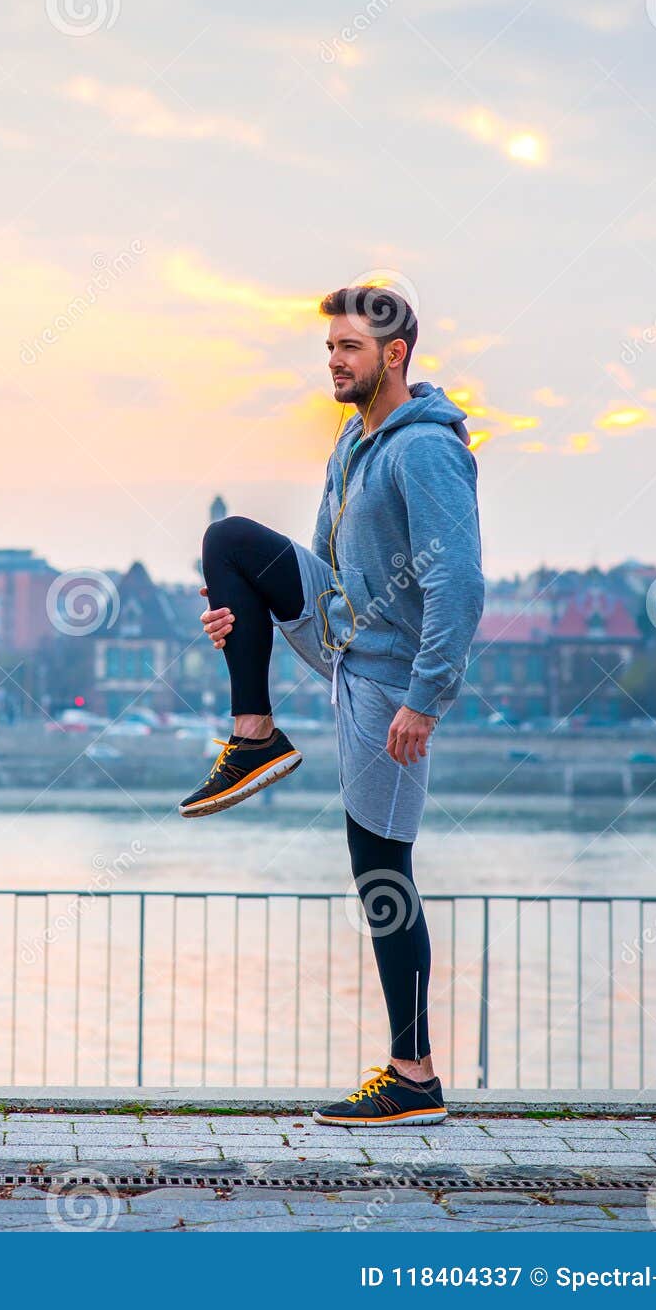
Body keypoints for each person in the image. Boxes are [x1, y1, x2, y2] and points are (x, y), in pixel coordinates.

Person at [179, 284, 485, 1126]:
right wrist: (245, 614)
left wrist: (424, 701)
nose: (334, 363)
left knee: (382, 873)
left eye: (349, 348)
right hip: (344, 628)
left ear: (394, 354)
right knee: (229, 544)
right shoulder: (352, 442)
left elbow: (459, 584)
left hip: (390, 679)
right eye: (329, 349)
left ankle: (413, 1074)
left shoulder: (425, 453)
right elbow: (317, 562)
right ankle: (254, 738)